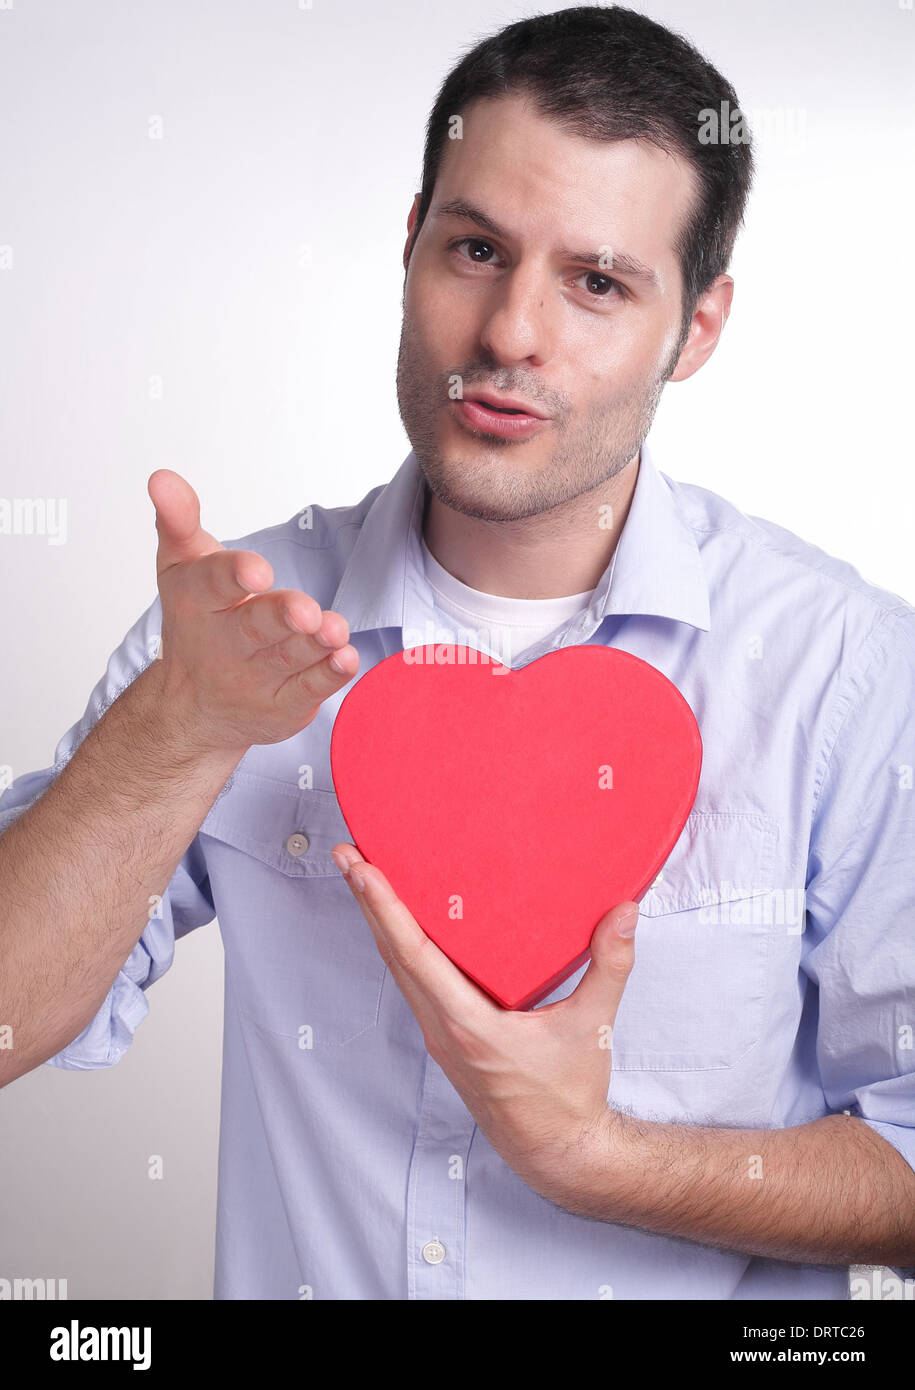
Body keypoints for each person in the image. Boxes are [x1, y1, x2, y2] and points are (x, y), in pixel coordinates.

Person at [1, 5, 913, 1300]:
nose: (509, 335)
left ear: (697, 329)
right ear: (411, 243)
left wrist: (603, 1157)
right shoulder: (231, 625)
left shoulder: (846, 674)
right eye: (475, 248)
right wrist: (179, 729)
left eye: (596, 281)